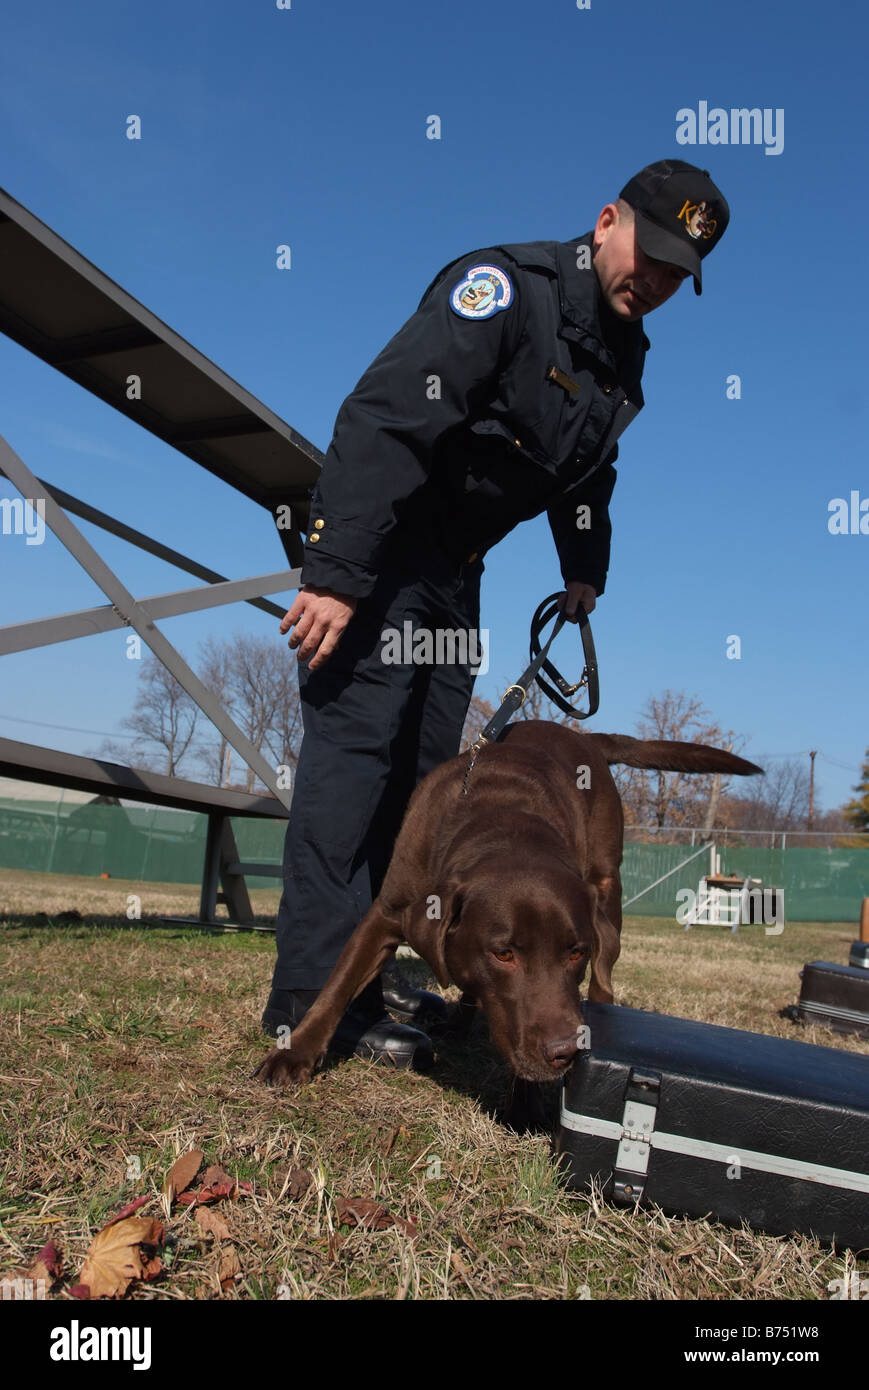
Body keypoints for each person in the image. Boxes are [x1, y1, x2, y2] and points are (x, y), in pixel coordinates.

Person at [261, 158, 730, 1066]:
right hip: (388, 553)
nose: (657, 281)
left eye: (679, 273)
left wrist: (583, 569)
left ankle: (385, 979)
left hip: (457, 575)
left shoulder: (621, 360)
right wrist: (337, 571)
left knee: (428, 785)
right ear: (605, 221)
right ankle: (304, 1003)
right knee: (354, 769)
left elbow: (590, 474)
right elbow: (385, 415)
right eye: (652, 254)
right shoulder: (506, 291)